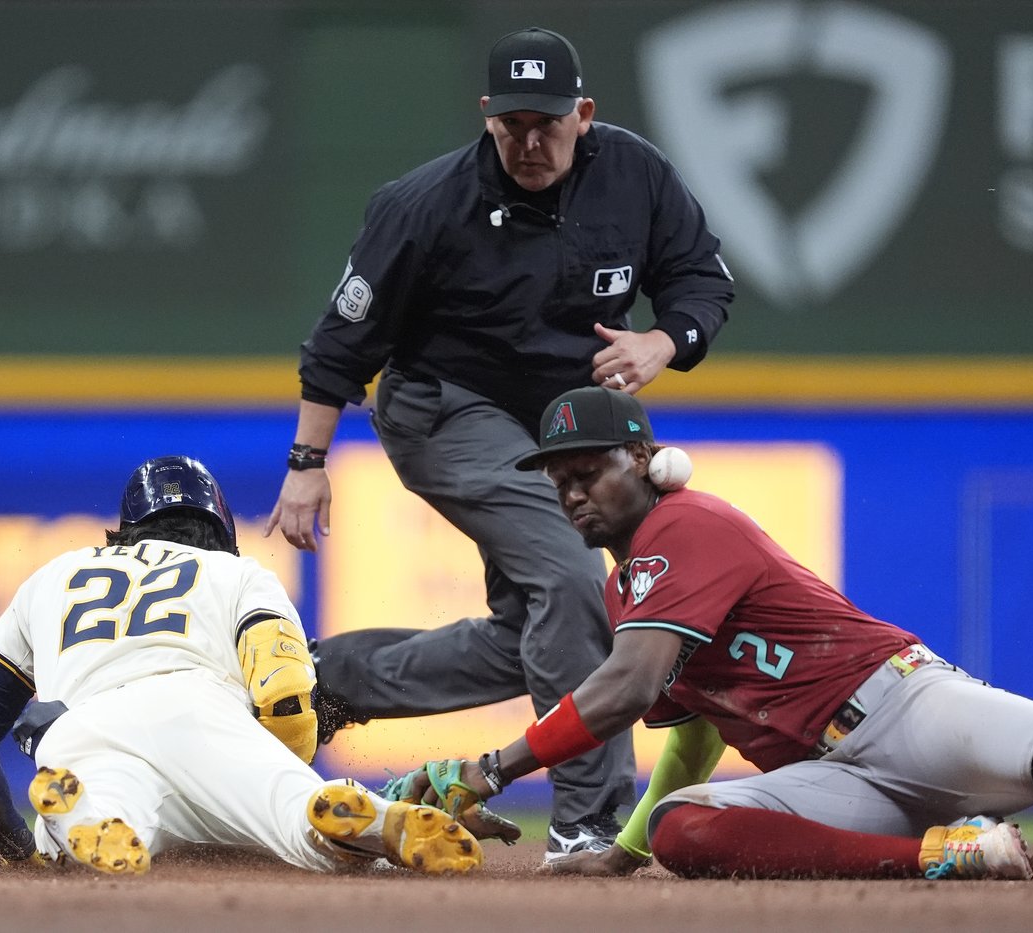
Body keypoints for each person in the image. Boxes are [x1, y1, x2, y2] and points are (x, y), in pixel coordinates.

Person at [263, 25, 735, 861]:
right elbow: (341, 340)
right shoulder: (424, 204)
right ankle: (587, 819)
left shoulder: (634, 175)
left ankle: (327, 683)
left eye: (547, 120)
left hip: (562, 423)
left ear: (583, 114)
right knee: (568, 578)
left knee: (542, 629)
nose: (529, 139)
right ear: (486, 116)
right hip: (445, 407)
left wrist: (663, 343)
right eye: (512, 121)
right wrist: (307, 463)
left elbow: (702, 277)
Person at [400, 386, 1033, 879]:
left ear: (641, 456)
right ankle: (942, 853)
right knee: (684, 830)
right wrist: (627, 852)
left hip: (902, 710)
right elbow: (692, 741)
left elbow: (628, 688)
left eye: (590, 470)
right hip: (834, 778)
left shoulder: (687, 522)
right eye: (561, 480)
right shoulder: (622, 587)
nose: (574, 493)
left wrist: (491, 767)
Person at [0, 455, 483, 876]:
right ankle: (370, 820)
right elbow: (285, 692)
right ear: (221, 526)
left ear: (127, 526)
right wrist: (278, 763)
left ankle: (79, 819)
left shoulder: (54, 576)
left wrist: (16, 852)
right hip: (201, 713)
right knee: (290, 815)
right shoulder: (235, 574)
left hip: (83, 728)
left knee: (105, 820)